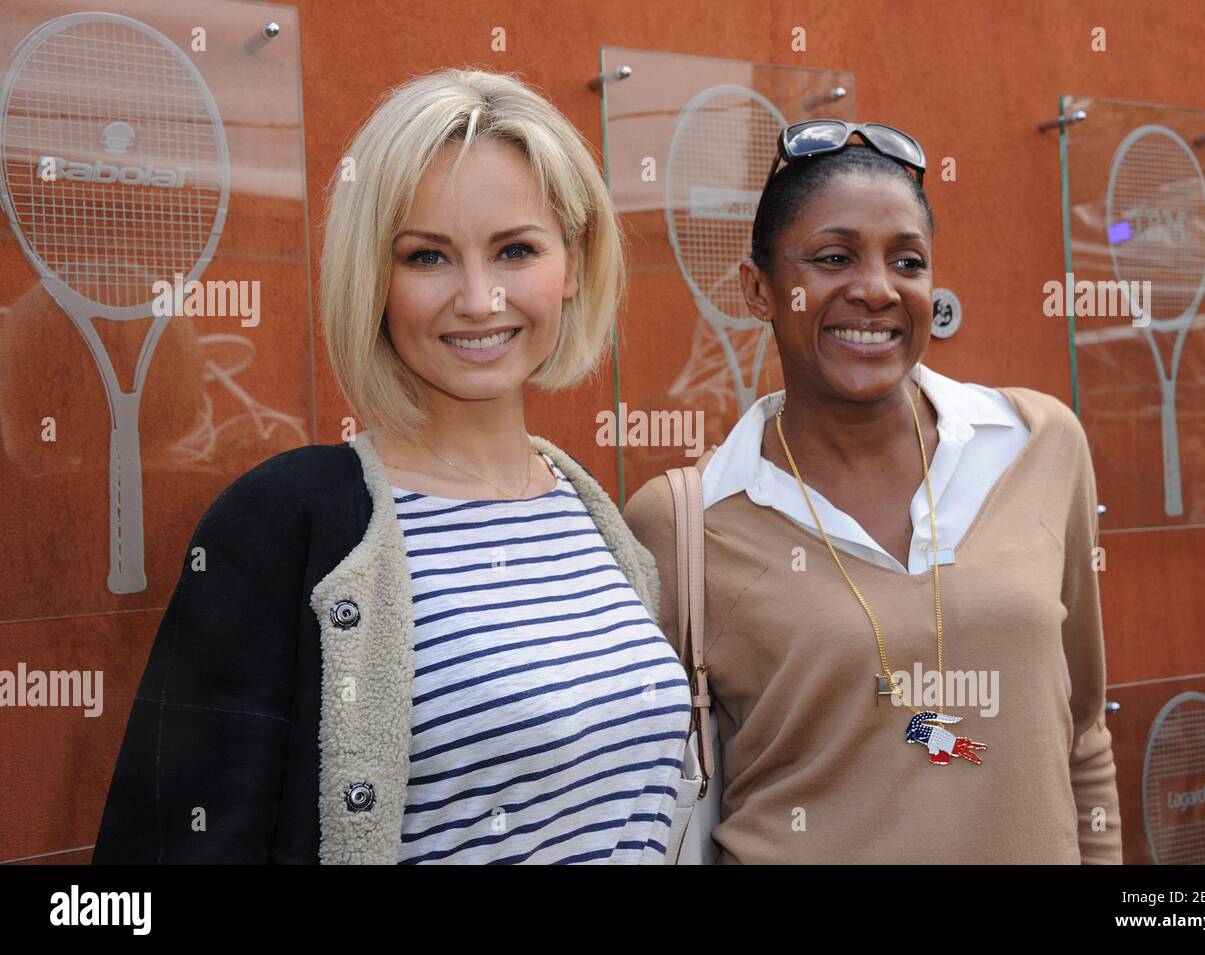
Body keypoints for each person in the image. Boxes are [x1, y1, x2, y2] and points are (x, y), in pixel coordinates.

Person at [93, 68, 691, 865]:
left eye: (515, 249)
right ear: (375, 278)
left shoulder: (594, 518)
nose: (479, 299)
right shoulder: (285, 525)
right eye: (428, 257)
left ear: (573, 265)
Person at [624, 120, 1123, 863]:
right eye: (834, 257)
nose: (876, 290)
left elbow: (1083, 732)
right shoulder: (685, 520)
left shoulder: (1040, 444)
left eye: (908, 262)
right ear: (759, 289)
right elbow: (644, 795)